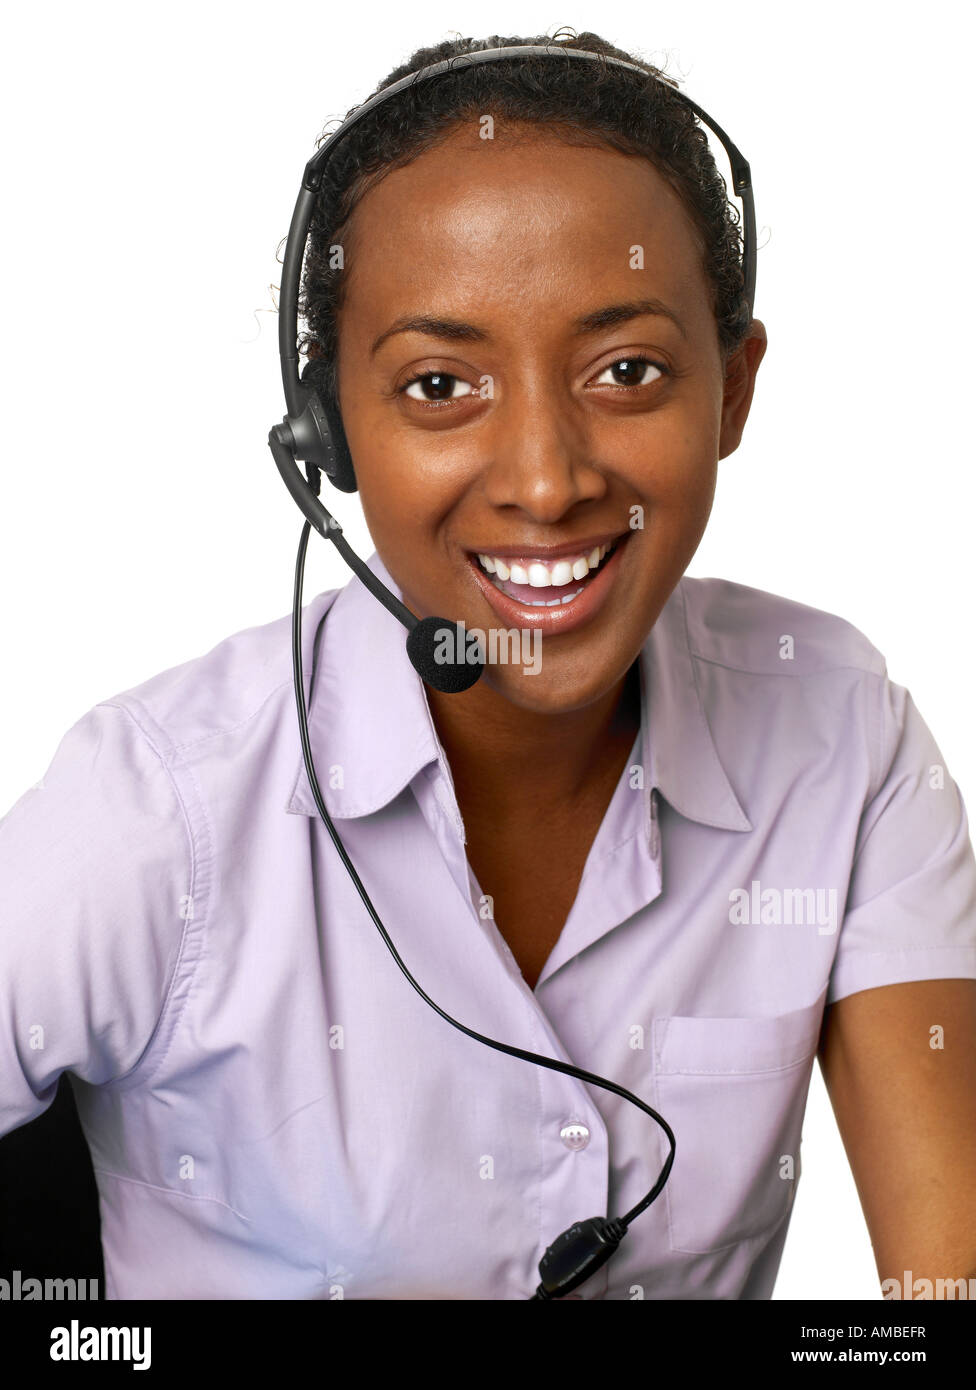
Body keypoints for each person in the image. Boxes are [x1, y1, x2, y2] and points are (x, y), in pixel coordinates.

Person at [1, 29, 975, 1302]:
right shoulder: (156, 809)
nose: (544, 478)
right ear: (328, 433)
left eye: (626, 370)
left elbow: (942, 1289)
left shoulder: (842, 734)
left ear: (732, 392)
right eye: (440, 384)